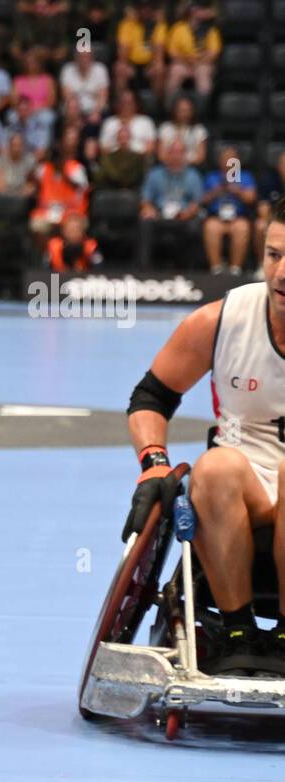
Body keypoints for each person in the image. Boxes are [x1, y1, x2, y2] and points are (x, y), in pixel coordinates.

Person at [120, 197, 285, 672]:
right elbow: (151, 397)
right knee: (213, 468)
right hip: (243, 475)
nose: (281, 273)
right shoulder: (222, 321)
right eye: (274, 256)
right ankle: (238, 630)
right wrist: (153, 463)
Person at [138, 139, 204, 268]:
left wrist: (188, 213)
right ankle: (144, 268)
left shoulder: (193, 175)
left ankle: (191, 270)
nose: (176, 155)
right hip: (159, 214)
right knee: (144, 221)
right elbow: (145, 199)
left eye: (179, 152)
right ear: (167, 155)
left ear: (184, 155)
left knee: (195, 225)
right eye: (173, 152)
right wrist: (149, 209)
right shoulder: (154, 174)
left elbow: (197, 202)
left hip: (184, 216)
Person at [201, 144, 256, 276]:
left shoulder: (245, 176)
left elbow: (252, 198)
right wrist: (217, 190)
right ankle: (216, 269)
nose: (228, 162)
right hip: (216, 217)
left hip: (238, 217)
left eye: (232, 159)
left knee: (242, 228)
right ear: (220, 161)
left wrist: (238, 191)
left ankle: (235, 270)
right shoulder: (212, 177)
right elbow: (202, 200)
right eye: (225, 158)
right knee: (211, 227)